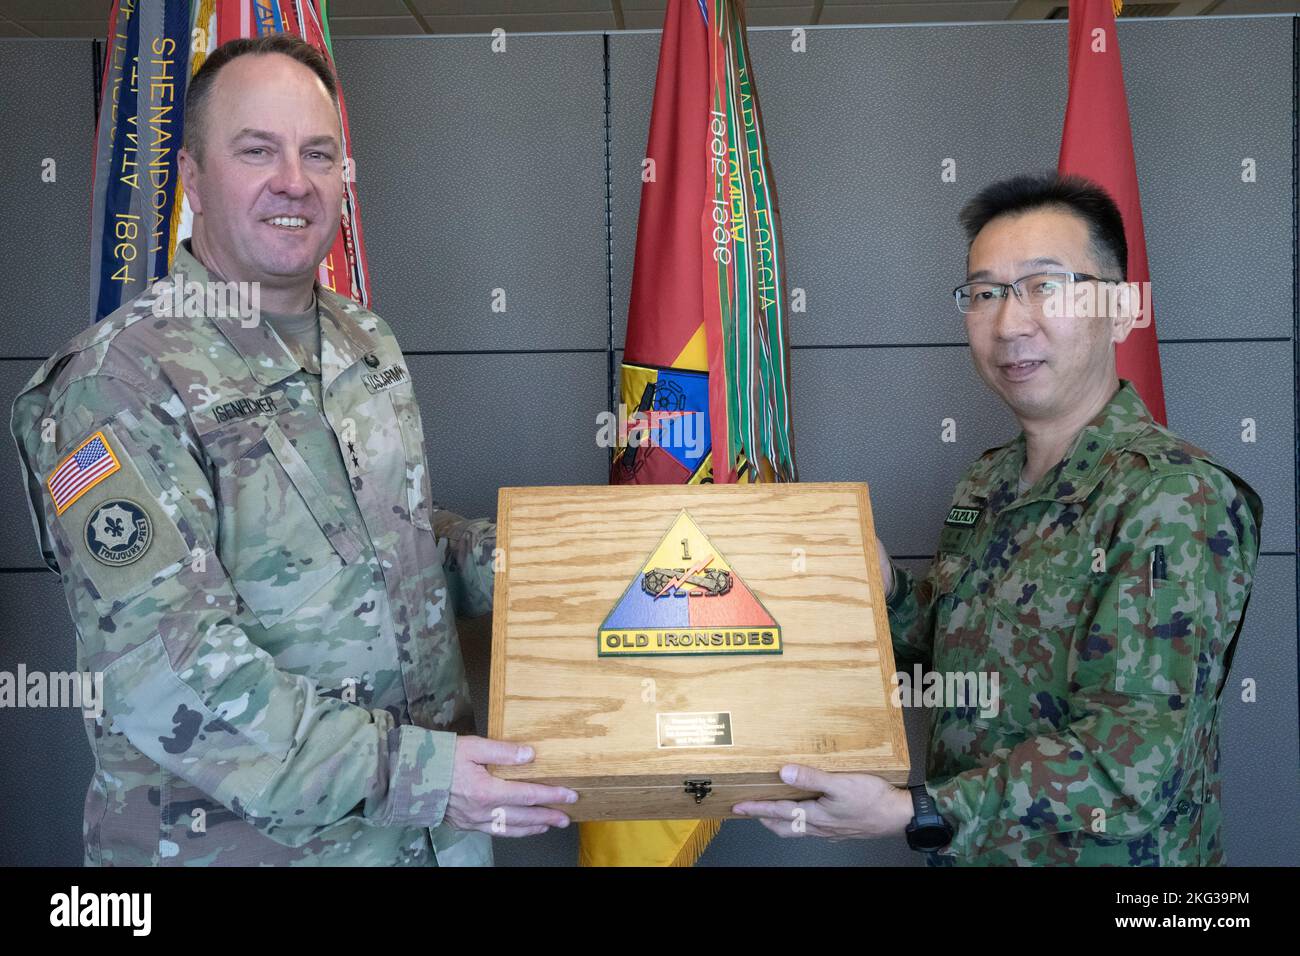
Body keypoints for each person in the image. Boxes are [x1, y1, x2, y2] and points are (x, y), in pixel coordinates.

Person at [10, 33, 574, 867]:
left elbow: (393, 545)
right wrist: (421, 773)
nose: (294, 181)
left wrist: (545, 566)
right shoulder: (118, 379)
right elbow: (171, 674)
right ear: (193, 180)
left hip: (426, 842)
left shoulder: (364, 339)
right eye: (256, 151)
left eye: (319, 154)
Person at [734, 172, 1262, 866]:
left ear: (1125, 307)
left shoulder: (1171, 497)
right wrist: (880, 581)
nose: (1011, 322)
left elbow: (1128, 769)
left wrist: (913, 810)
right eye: (985, 294)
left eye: (1045, 286)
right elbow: (955, 653)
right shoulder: (989, 479)